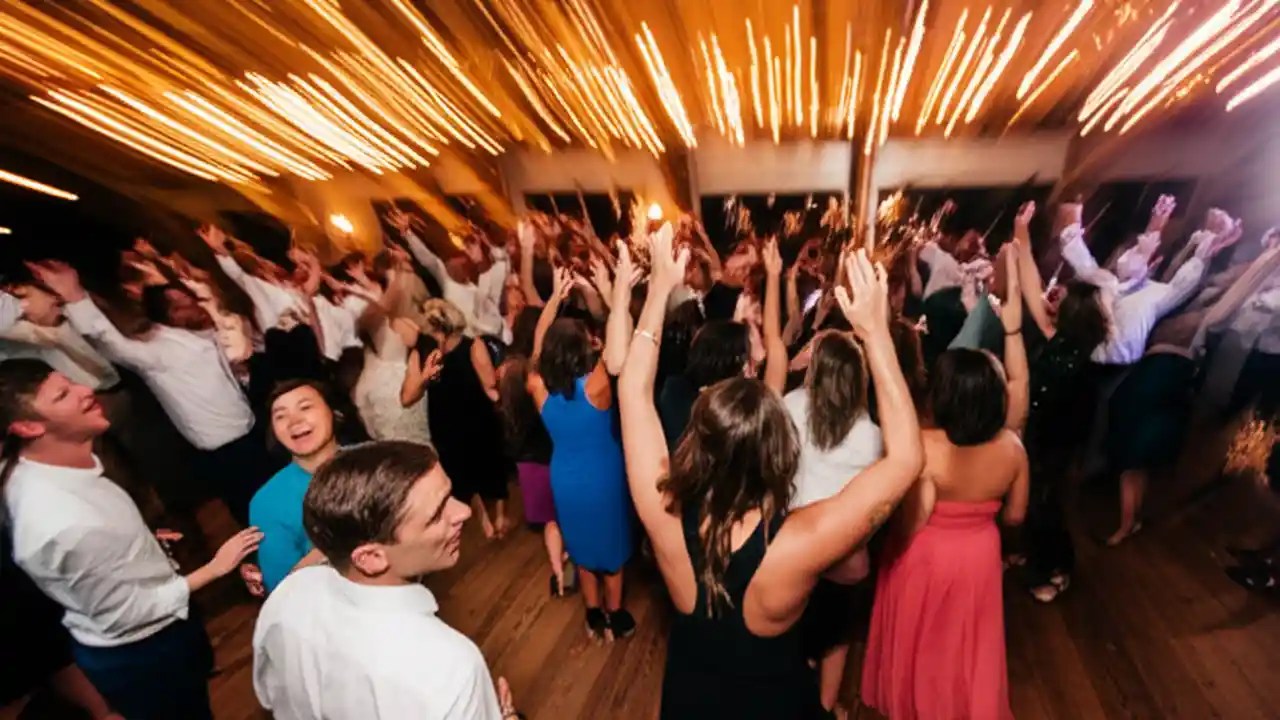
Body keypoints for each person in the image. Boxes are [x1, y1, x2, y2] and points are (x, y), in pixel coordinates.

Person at [618, 231, 924, 718]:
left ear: (698, 445)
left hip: (690, 701)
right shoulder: (798, 542)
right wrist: (876, 335)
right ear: (781, 457)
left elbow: (632, 390)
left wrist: (658, 290)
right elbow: (907, 459)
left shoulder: (666, 515)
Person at [1, 358, 261, 720]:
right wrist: (216, 568)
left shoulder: (55, 468)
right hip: (145, 651)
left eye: (71, 383)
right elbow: (129, 613)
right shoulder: (61, 522)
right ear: (28, 427)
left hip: (161, 632)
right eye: (63, 395)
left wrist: (142, 545)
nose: (85, 391)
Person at [860, 247, 1029, 720]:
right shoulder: (1013, 449)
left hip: (925, 557)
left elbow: (910, 520)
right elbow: (1015, 516)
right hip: (978, 557)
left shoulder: (925, 447)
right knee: (965, 648)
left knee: (919, 642)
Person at [252, 441, 520, 720]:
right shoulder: (451, 668)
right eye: (437, 514)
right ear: (371, 558)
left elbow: (270, 693)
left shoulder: (289, 594)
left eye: (449, 494)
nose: (463, 511)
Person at [28, 260, 278, 525]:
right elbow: (110, 343)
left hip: (251, 430)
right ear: (168, 316)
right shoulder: (159, 349)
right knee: (257, 511)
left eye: (191, 301)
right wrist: (75, 298)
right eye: (182, 307)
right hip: (227, 449)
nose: (194, 308)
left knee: (278, 497)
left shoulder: (201, 333)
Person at [530, 260, 636, 638]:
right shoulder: (597, 386)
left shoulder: (537, 387)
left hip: (566, 478)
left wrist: (553, 302)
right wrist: (618, 294)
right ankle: (616, 615)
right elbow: (621, 344)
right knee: (613, 550)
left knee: (583, 549)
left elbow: (537, 348)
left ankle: (593, 614)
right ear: (585, 346)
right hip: (603, 477)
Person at [783, 329, 882, 713]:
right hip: (844, 552)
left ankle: (797, 699)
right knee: (838, 637)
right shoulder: (871, 436)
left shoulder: (791, 405)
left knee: (798, 628)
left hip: (796, 543)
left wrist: (794, 364)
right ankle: (826, 706)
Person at [404, 298, 511, 537]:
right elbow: (407, 398)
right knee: (460, 471)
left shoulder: (472, 346)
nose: (427, 335)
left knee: (491, 463)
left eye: (431, 330)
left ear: (444, 328)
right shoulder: (423, 354)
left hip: (477, 417)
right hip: (445, 422)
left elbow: (489, 383)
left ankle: (502, 515)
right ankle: (484, 518)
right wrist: (424, 377)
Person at [496, 310, 568, 596]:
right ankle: (567, 557)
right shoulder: (540, 400)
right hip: (551, 463)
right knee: (563, 518)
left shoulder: (508, 411)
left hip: (528, 469)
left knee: (550, 523)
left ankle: (557, 571)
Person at [249, 379, 340, 592]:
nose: (294, 421)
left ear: (334, 413)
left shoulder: (374, 461)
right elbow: (283, 591)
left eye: (305, 407)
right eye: (280, 416)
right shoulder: (268, 502)